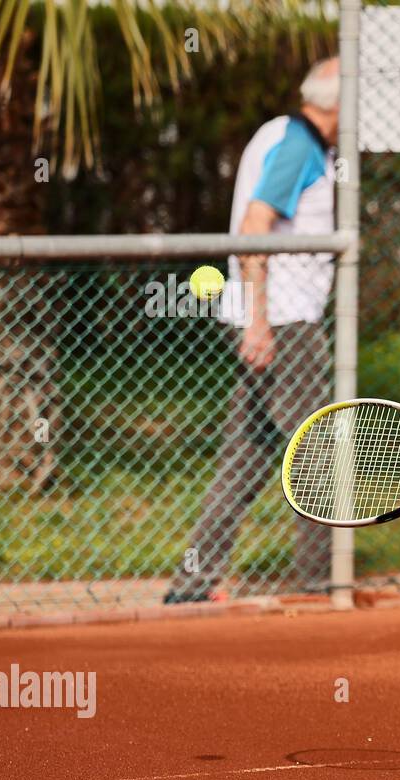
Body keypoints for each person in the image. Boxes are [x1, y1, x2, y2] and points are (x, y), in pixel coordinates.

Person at [164, 58, 340, 604]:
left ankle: (194, 583)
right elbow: (255, 227)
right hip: (282, 323)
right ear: (338, 102)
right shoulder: (297, 146)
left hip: (270, 318)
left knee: (247, 455)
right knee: (318, 453)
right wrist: (260, 321)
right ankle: (321, 583)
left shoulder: (286, 134)